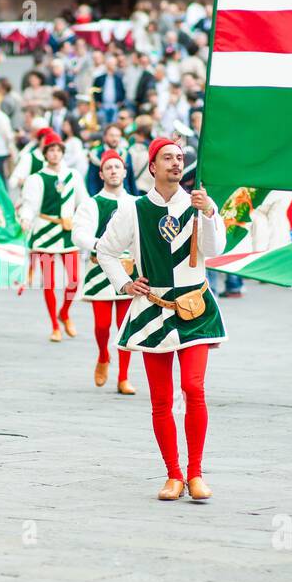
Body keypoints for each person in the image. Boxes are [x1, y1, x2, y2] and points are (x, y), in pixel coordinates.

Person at [95, 138, 226, 501]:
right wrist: (124, 282)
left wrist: (210, 214)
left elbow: (215, 252)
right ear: (152, 166)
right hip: (152, 309)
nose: (175, 163)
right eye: (167, 157)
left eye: (180, 158)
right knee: (160, 399)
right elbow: (104, 250)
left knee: (194, 387)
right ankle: (173, 474)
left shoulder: (199, 205)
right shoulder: (133, 210)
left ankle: (196, 473)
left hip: (195, 308)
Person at [71, 150, 137, 396]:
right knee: (102, 326)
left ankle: (124, 377)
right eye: (108, 168)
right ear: (101, 174)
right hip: (100, 270)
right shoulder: (91, 203)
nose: (113, 171)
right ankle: (103, 355)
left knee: (125, 326)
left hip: (128, 271)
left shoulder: (134, 203)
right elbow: (79, 234)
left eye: (117, 167)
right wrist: (101, 246)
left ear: (124, 172)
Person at [18, 132, 84, 342]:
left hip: (67, 231)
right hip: (45, 231)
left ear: (62, 152)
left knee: (74, 279)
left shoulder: (73, 175)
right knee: (49, 283)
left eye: (58, 150)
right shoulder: (36, 178)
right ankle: (55, 326)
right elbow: (29, 205)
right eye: (51, 150)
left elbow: (84, 202)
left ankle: (64, 313)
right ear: (45, 153)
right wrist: (25, 219)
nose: (55, 153)